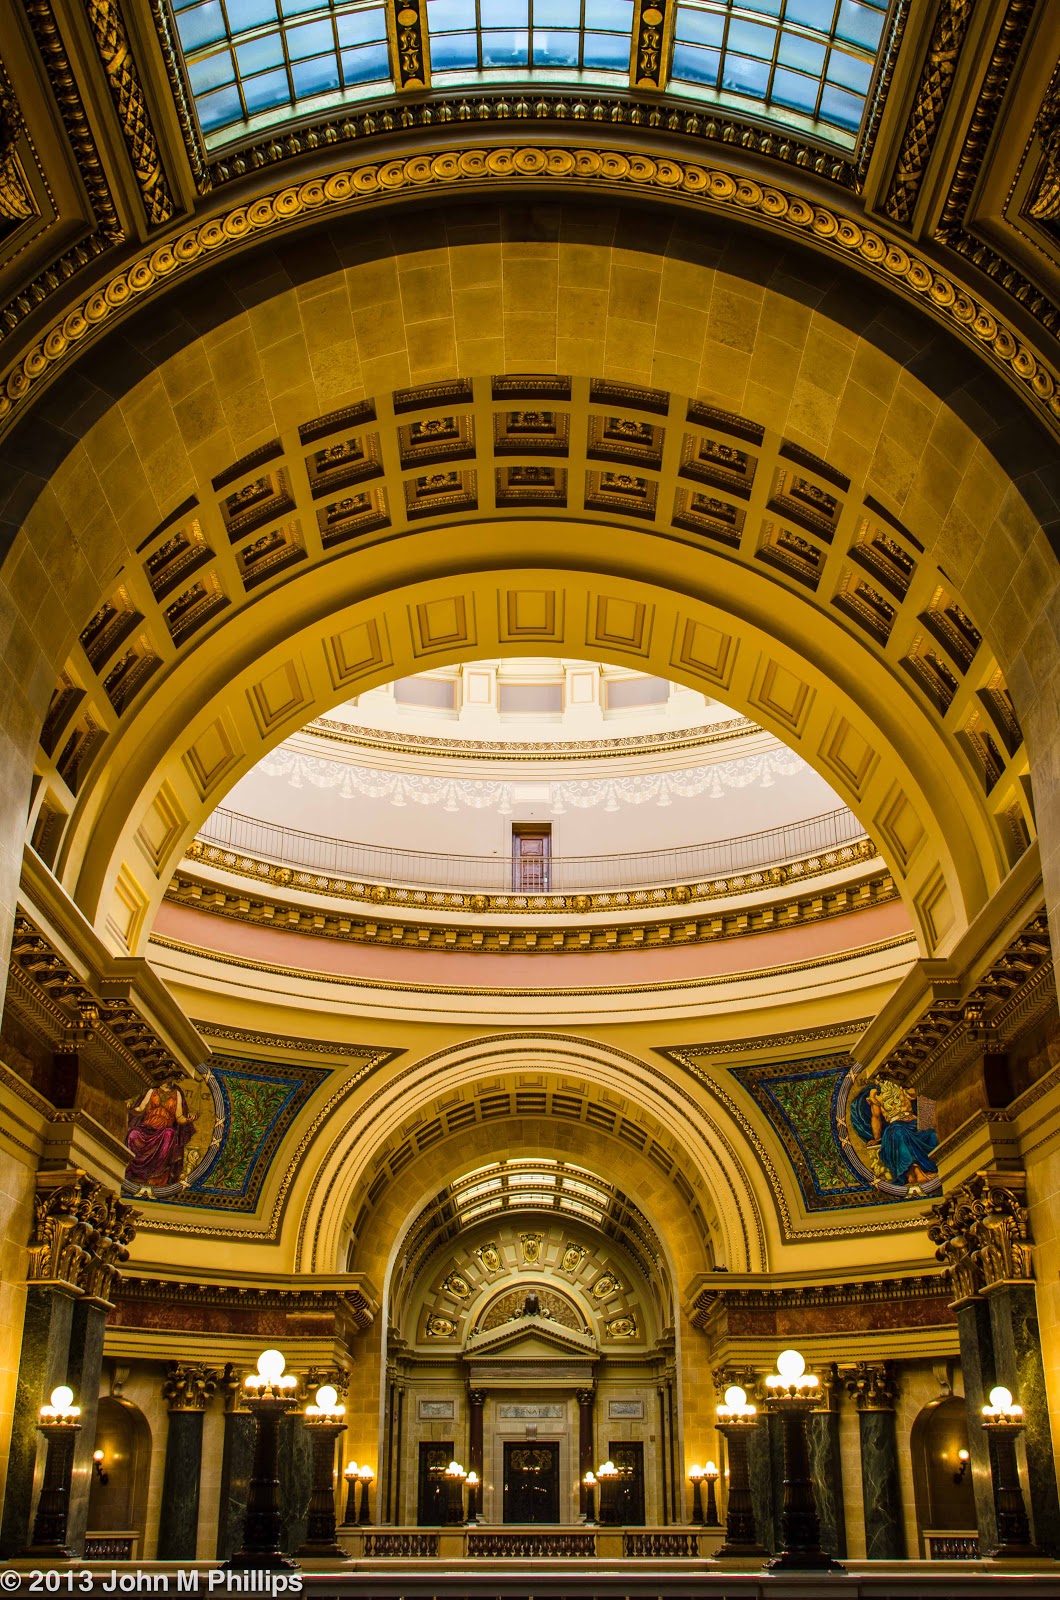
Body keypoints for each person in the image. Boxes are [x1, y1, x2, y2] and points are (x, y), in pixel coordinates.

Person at [849, 1080, 939, 1189]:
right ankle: (914, 1172)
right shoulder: (875, 1095)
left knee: (931, 1133)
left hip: (914, 1122)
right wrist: (876, 1138)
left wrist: (928, 1122)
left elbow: (924, 1096)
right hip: (895, 1126)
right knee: (899, 1134)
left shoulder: (904, 1086)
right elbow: (876, 1117)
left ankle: (934, 1165)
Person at [126, 1078, 195, 1188]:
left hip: (164, 1129)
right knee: (133, 1134)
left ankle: (155, 1175)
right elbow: (141, 1108)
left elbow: (179, 1117)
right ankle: (135, 1172)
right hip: (147, 1128)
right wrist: (131, 1108)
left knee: (170, 1134)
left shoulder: (176, 1094)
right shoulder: (152, 1091)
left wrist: (188, 1120)